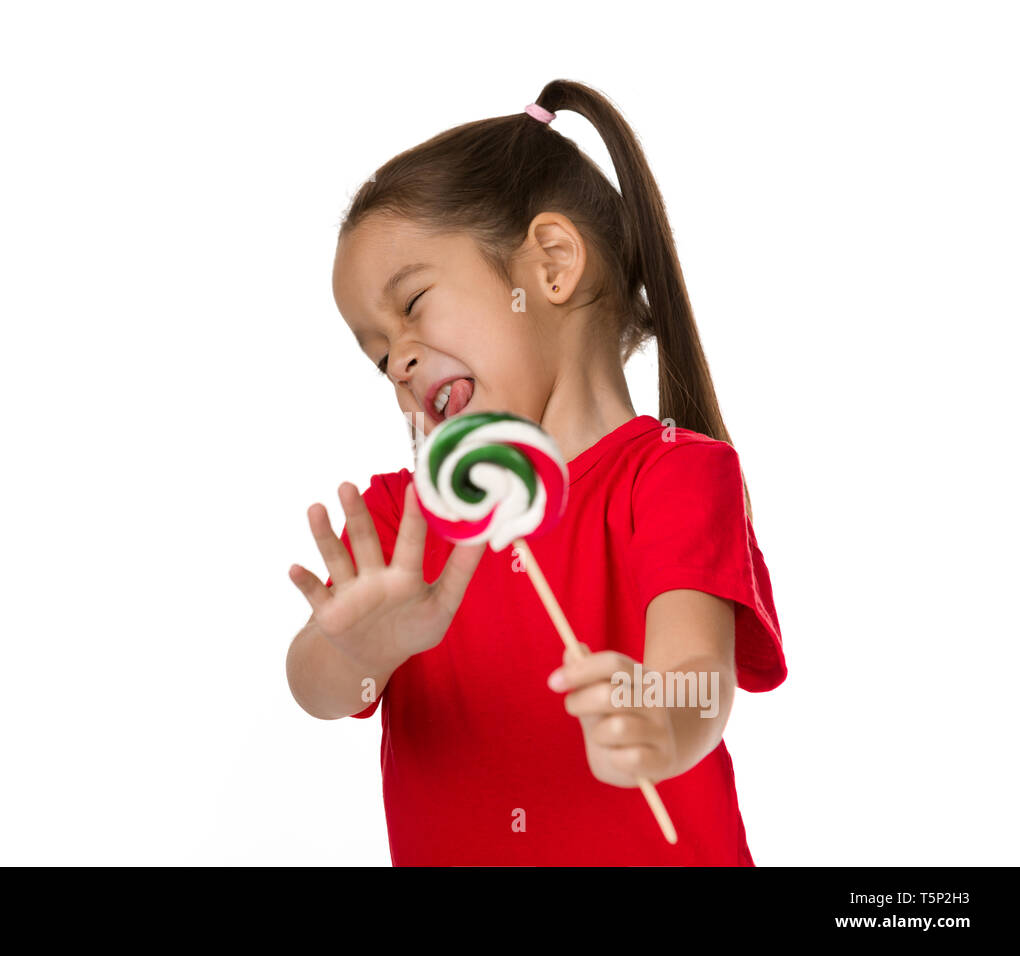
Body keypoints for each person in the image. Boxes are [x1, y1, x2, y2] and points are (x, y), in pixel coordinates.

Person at [285, 79, 786, 866]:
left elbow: (699, 674)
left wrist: (657, 713)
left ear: (551, 265)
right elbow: (315, 686)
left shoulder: (677, 476)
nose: (398, 363)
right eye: (378, 354)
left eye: (413, 302)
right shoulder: (405, 524)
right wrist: (357, 652)